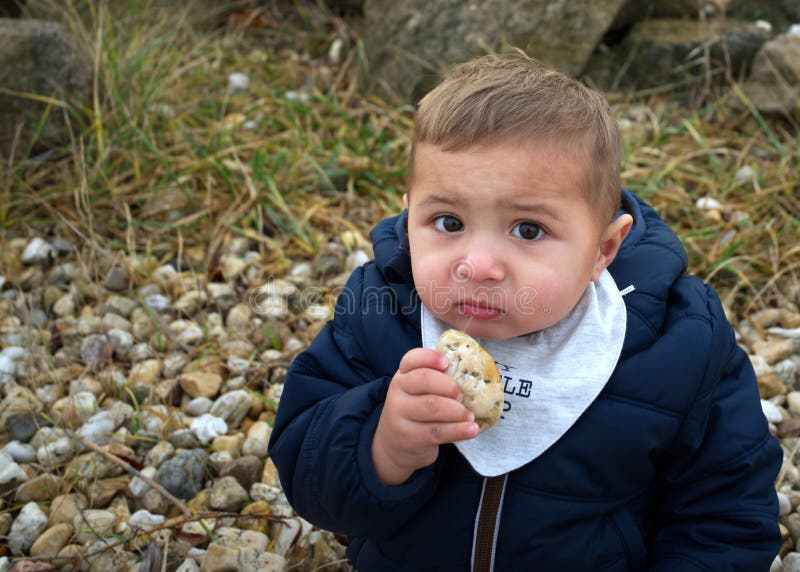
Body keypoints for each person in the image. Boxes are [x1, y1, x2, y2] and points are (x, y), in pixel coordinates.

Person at [267, 51, 782, 571]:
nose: (478, 265)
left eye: (528, 230)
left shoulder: (676, 342)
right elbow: (305, 471)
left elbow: (726, 513)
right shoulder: (379, 315)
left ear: (603, 249)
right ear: (408, 216)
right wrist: (382, 446)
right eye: (447, 222)